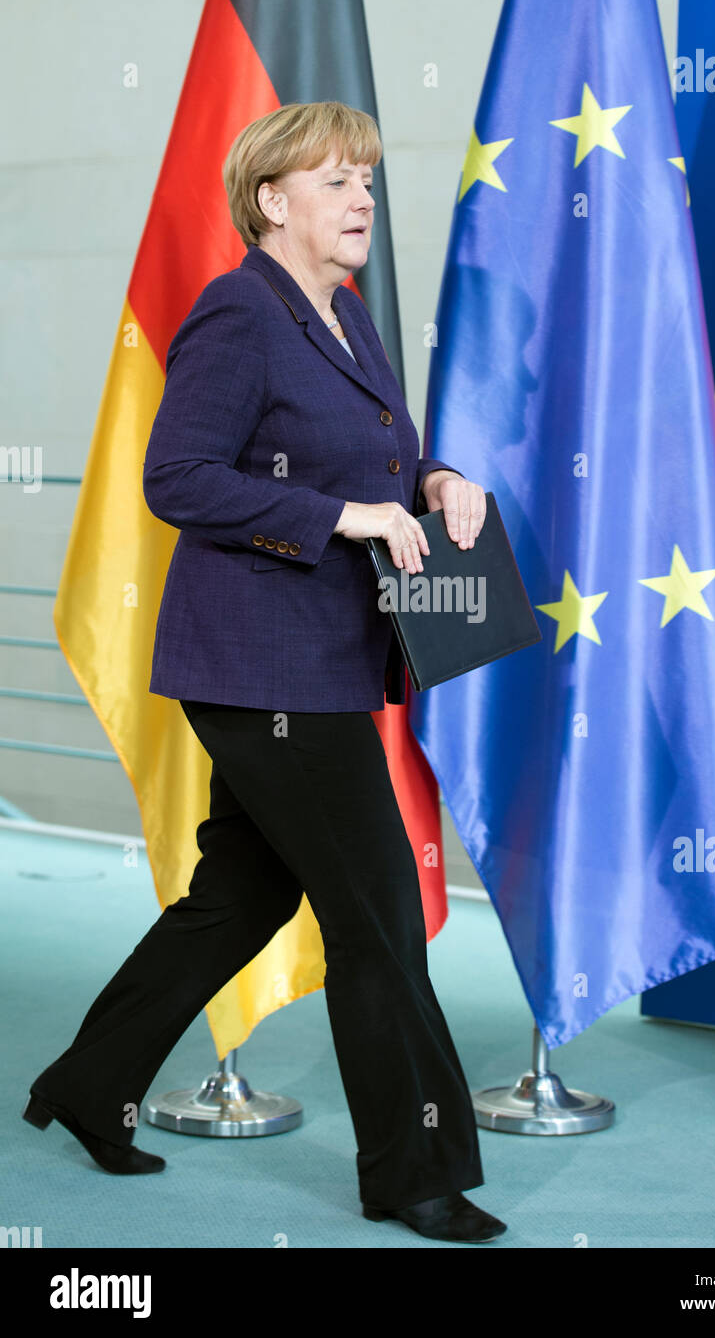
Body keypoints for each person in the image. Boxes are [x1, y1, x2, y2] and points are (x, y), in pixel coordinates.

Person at [23, 100, 505, 1245]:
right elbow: (177, 477)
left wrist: (436, 480)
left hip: (323, 658)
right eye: (338, 182)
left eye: (369, 185)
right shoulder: (238, 311)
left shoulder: (345, 316)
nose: (361, 204)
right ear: (272, 199)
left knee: (242, 893)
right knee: (379, 908)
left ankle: (87, 1083)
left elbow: (377, 453)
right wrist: (340, 514)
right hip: (257, 665)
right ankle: (413, 1170)